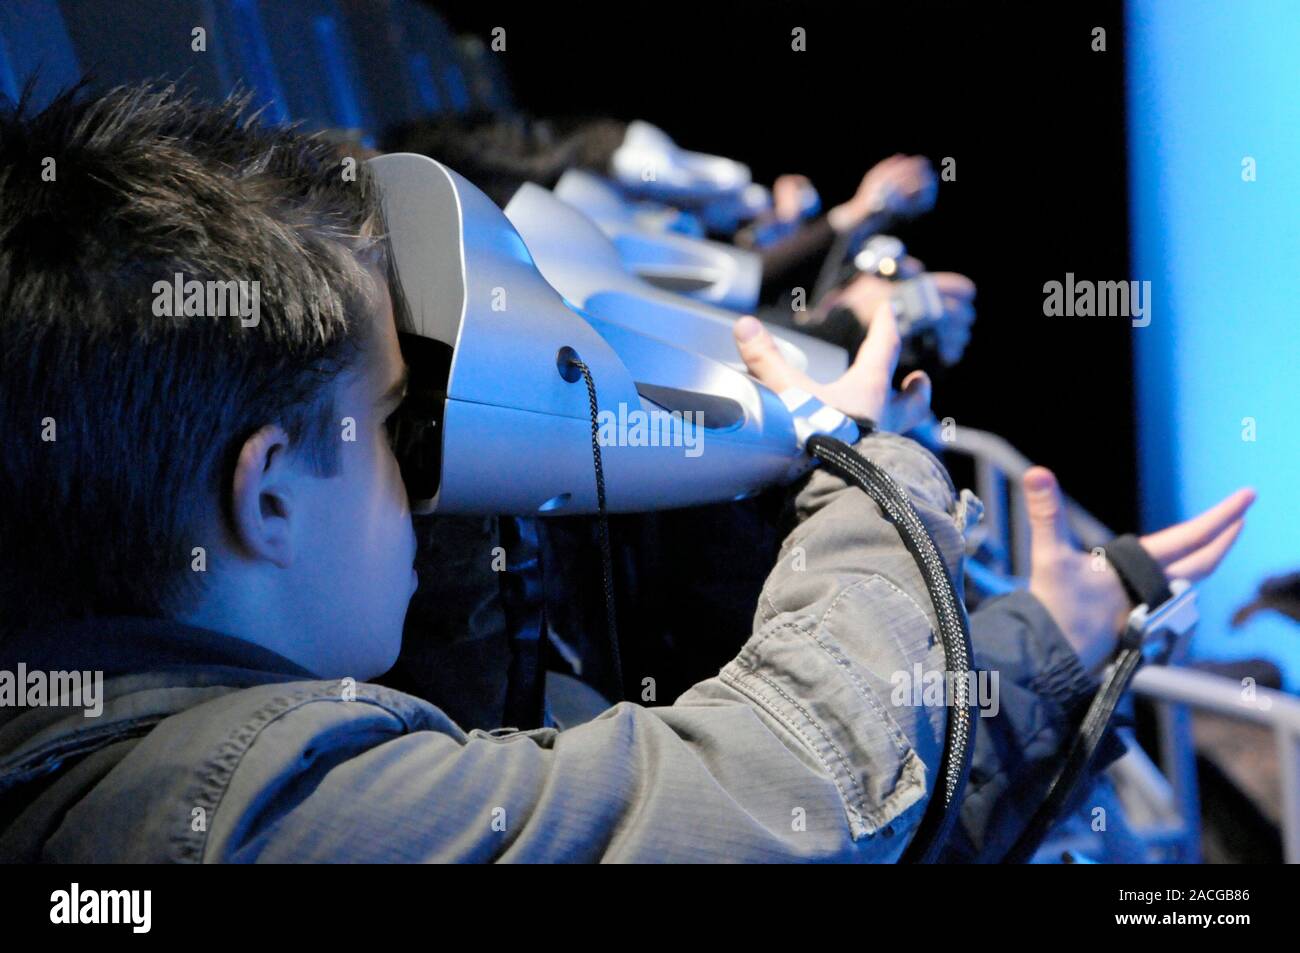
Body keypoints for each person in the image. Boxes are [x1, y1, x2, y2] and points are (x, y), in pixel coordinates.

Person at [0, 84, 1253, 862]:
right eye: (395, 424)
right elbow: (787, 796)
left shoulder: (142, 758)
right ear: (267, 492)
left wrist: (1034, 641)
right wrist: (864, 467)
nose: (435, 481)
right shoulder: (251, 813)